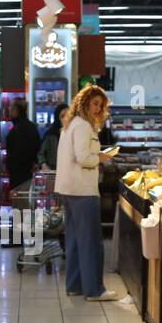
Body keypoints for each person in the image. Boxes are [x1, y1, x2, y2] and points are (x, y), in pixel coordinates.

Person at [57, 85, 118, 301]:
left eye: (100, 105)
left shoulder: (70, 124)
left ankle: (75, 285)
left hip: (68, 188)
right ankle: (94, 290)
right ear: (84, 103)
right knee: (91, 241)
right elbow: (83, 158)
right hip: (83, 190)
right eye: (94, 104)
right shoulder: (82, 126)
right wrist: (100, 158)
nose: (97, 109)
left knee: (74, 240)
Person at [4, 99, 40, 191]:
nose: (9, 110)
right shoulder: (31, 126)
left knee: (19, 200)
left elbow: (18, 152)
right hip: (29, 172)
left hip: (18, 174)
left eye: (11, 108)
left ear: (17, 110)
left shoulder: (17, 129)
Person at [39, 103, 69, 170]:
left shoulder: (73, 133)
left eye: (68, 115)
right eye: (62, 116)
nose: (66, 119)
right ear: (57, 118)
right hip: (53, 170)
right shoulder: (50, 134)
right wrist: (43, 164)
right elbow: (41, 153)